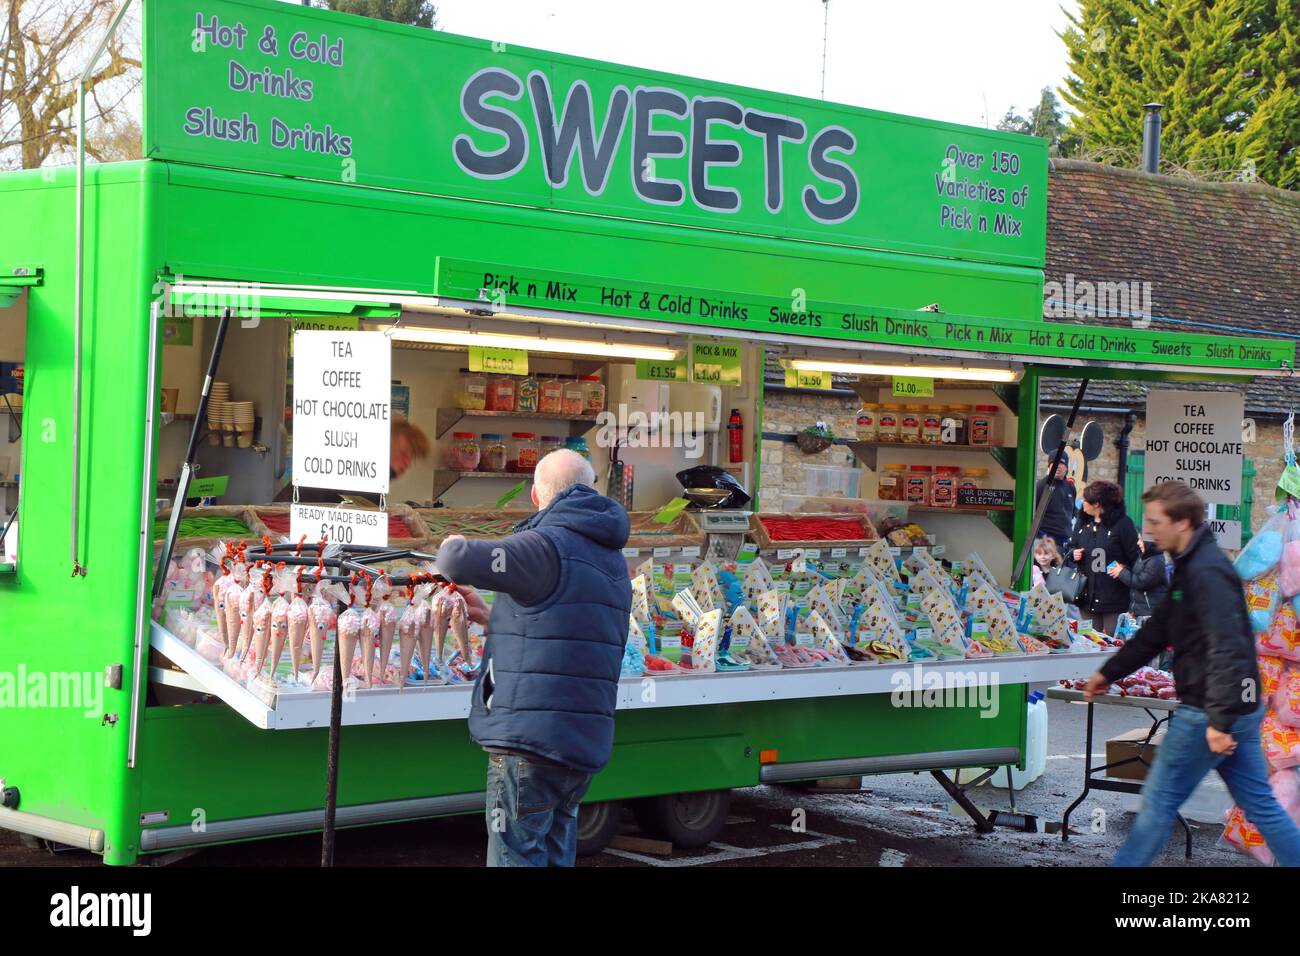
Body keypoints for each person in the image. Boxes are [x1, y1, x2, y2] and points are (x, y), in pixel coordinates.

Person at [1083, 481, 1300, 867]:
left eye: (1155, 521)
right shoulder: (1190, 565)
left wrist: (1218, 722)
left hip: (1209, 711)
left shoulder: (1206, 572)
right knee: (1262, 807)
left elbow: (1228, 649)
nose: (1148, 530)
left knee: (1158, 805)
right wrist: (1109, 673)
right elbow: (1157, 631)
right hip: (1236, 710)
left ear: (1181, 522)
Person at [436, 449, 632, 867]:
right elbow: (567, 624)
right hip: (580, 741)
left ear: (537, 497)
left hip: (531, 743)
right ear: (589, 488)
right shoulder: (609, 553)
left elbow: (453, 560)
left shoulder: (544, 544)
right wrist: (492, 618)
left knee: (516, 855)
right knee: (556, 852)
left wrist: (451, 540)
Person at [275, 416, 429, 502]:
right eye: (403, 453)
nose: (407, 463)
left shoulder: (367, 475)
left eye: (411, 457)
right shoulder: (361, 475)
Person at [1068, 478, 1140, 637]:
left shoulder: (1123, 525)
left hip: (1114, 599)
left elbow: (1136, 559)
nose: (1082, 503)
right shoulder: (1082, 522)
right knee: (1088, 643)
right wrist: (1074, 554)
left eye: (1086, 500)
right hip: (1085, 597)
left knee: (1115, 644)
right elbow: (1071, 546)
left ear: (1097, 504)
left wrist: (1123, 570)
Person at [1108, 536, 1170, 619]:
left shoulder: (1156, 561)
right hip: (1140, 611)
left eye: (1141, 540)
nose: (1138, 543)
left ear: (1149, 543)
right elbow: (1137, 575)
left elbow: (1142, 582)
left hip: (1150, 612)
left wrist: (1121, 572)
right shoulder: (1143, 556)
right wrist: (1124, 568)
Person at [1034, 459, 1076, 551]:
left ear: (1066, 468)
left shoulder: (1070, 487)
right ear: (1049, 466)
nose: (1057, 466)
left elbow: (1071, 513)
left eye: (1061, 463)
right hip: (1044, 542)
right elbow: (1032, 512)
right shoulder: (1041, 485)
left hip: (1064, 543)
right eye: (1054, 463)